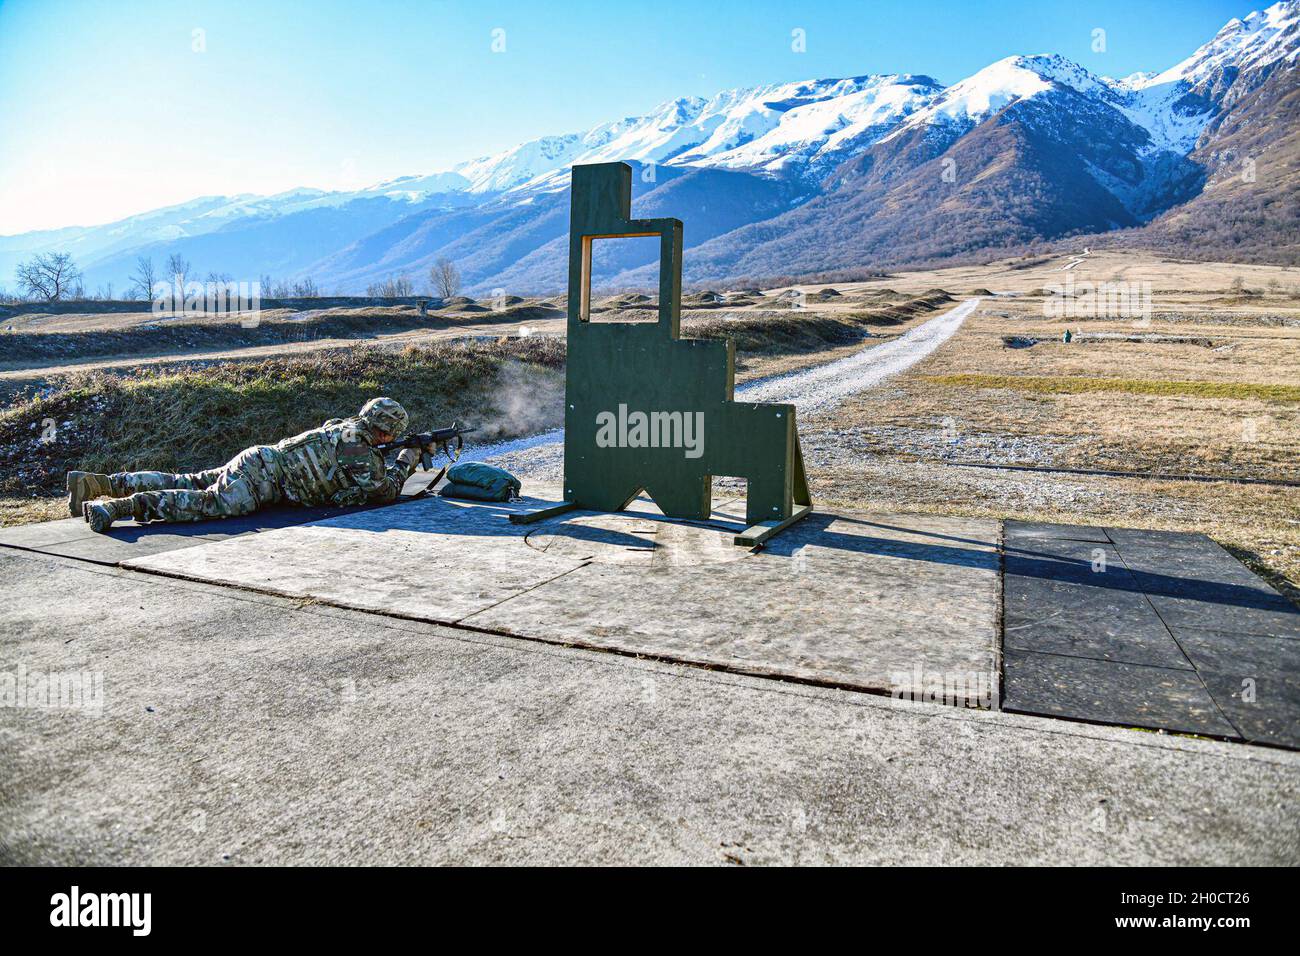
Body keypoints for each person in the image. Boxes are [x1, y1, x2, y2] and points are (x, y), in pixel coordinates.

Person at [69, 397, 426, 533]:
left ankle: (99, 483)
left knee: (191, 480)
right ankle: (117, 507)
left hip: (259, 461)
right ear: (386, 430)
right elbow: (383, 492)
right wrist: (407, 459)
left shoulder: (343, 428)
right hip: (261, 481)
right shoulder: (359, 448)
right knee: (206, 503)